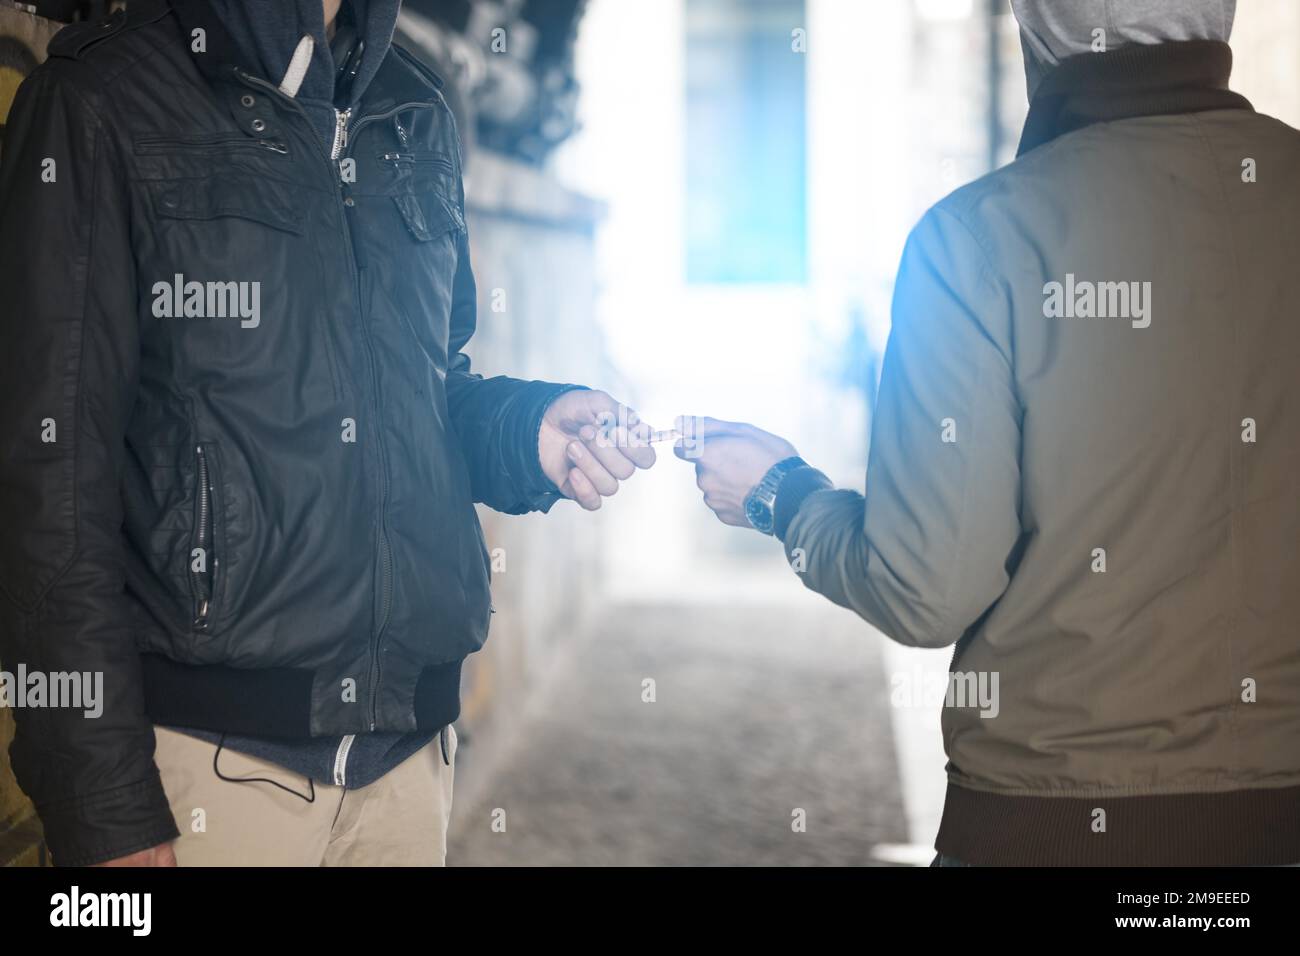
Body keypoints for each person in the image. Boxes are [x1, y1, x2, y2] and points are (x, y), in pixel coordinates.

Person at [0, 0, 653, 867]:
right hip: (203, 778)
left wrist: (525, 429)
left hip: (407, 774)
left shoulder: (416, 106)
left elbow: (427, 392)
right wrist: (103, 806)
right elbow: (48, 486)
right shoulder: (101, 99)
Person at [681, 0, 1300, 866]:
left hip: (1046, 823)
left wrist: (781, 494)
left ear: (1038, 26)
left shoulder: (975, 242)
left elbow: (925, 588)